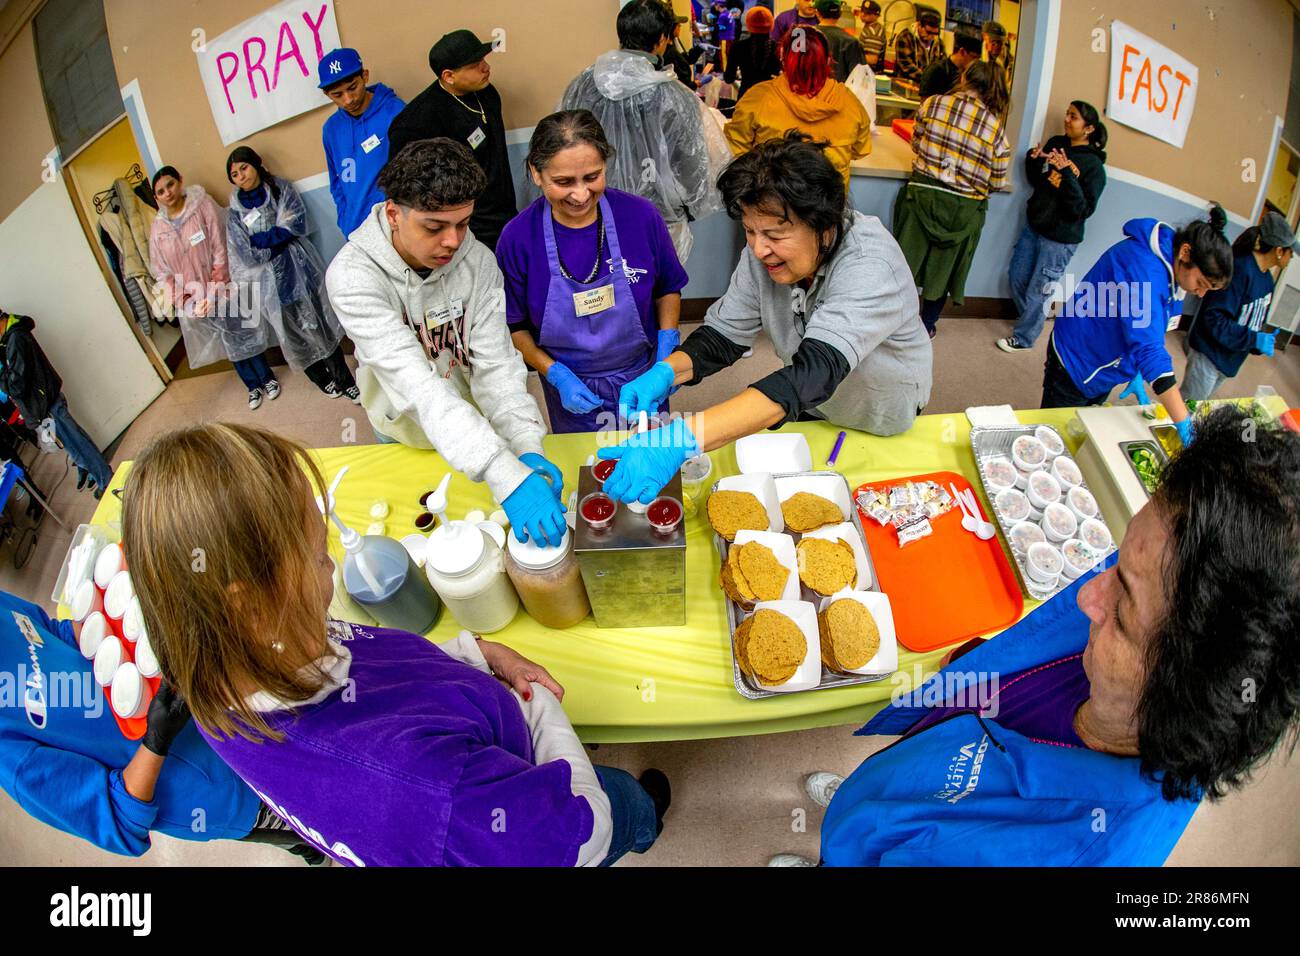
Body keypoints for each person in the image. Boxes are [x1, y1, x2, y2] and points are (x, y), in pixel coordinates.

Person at [769, 405, 1300, 866]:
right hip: (926, 763)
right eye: (1115, 562)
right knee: (879, 799)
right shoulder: (1154, 611)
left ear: (1185, 688)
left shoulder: (1068, 846)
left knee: (858, 849)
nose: (1087, 597)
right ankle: (872, 806)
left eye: (1123, 606)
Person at [122, 423, 671, 867]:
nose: (332, 560)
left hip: (481, 757)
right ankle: (647, 824)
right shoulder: (427, 792)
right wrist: (540, 711)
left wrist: (478, 653)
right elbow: (581, 835)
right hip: (544, 797)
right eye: (316, 556)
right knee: (619, 803)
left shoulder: (230, 667)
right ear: (247, 601)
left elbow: (382, 659)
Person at [603, 135, 932, 505]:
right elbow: (723, 335)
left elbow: (814, 372)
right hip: (811, 404)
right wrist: (667, 371)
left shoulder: (871, 264)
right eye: (749, 230)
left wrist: (680, 440)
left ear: (824, 226)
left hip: (877, 413)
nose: (759, 249)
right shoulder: (765, 253)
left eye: (774, 234)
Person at [325, 139, 567, 546]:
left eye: (463, 224)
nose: (453, 242)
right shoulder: (352, 278)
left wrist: (525, 445)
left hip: (476, 426)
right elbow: (417, 388)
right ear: (393, 214)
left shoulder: (477, 262)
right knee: (428, 523)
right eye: (434, 227)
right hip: (404, 426)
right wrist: (501, 470)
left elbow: (496, 366)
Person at [0, 587, 326, 864]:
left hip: (221, 715)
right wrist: (156, 740)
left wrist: (121, 615)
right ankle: (311, 846)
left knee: (311, 759)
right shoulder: (12, 758)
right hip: (216, 789)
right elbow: (119, 823)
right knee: (315, 821)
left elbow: (53, 632)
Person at [497, 112, 687, 434]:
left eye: (592, 177)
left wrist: (667, 347)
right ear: (536, 173)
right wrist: (555, 374)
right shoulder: (517, 239)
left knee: (651, 463)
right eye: (564, 182)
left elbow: (667, 287)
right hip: (572, 388)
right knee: (588, 471)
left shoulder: (640, 217)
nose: (581, 194)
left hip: (643, 376)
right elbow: (514, 326)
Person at [1043, 205, 1233, 445]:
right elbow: (1149, 348)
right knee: (1054, 433)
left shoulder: (1177, 271)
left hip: (1106, 361)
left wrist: (1136, 370)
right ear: (1186, 252)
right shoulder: (1144, 269)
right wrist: (1183, 421)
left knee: (1080, 424)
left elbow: (1149, 328)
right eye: (1202, 283)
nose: (1201, 293)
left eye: (1210, 289)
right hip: (1077, 356)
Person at [560, 0, 731, 264]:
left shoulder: (581, 86)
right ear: (662, 38)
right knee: (655, 290)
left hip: (593, 211)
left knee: (603, 287)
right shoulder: (676, 97)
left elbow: (560, 144)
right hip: (660, 220)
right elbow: (692, 168)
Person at [225, 146, 359, 404]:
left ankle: (346, 381)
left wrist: (262, 239)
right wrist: (275, 236)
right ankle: (322, 380)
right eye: (234, 173)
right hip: (268, 283)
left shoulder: (279, 189)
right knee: (292, 333)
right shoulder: (234, 213)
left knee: (320, 325)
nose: (241, 176)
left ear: (255, 164)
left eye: (244, 167)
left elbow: (294, 224)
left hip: (299, 268)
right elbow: (245, 251)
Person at [893, 62, 1011, 337]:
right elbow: (997, 182)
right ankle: (926, 327)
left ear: (964, 77)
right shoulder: (996, 131)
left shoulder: (932, 104)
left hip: (922, 196)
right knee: (943, 271)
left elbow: (917, 143)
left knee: (905, 263)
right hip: (964, 210)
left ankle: (894, 322)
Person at [149, 165, 276, 408]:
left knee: (243, 329)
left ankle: (267, 377)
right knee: (227, 339)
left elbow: (221, 246)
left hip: (222, 285)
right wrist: (185, 302)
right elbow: (162, 272)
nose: (168, 193)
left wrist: (214, 290)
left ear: (180, 181)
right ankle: (251, 386)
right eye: (161, 191)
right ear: (157, 198)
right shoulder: (158, 229)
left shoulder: (202, 205)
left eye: (170, 185)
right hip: (195, 298)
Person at [387, 31, 517, 251]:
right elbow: (407, 191)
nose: (486, 67)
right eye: (476, 64)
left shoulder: (487, 93)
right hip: (467, 231)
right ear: (449, 76)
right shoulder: (416, 122)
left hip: (504, 216)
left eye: (484, 60)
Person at [997, 101, 1108, 353]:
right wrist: (1034, 160)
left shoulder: (1095, 169)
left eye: (1074, 117)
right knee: (1017, 277)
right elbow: (1039, 181)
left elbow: (1082, 211)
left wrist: (1067, 172)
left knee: (1039, 290)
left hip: (1060, 240)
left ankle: (1025, 338)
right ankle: (1035, 317)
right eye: (1067, 114)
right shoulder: (1056, 144)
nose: (1067, 120)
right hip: (1034, 227)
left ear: (1088, 129)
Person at [725, 27, 872, 188]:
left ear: (783, 57)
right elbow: (860, 150)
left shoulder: (758, 98)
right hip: (827, 206)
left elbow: (736, 149)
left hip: (771, 202)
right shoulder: (849, 101)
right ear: (828, 59)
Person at [1182, 212, 1295, 399]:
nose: (1291, 259)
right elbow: (1213, 318)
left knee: (1198, 409)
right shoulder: (1241, 268)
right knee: (1186, 410)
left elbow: (1253, 322)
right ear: (1279, 250)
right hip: (1209, 355)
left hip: (1229, 361)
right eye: (1290, 253)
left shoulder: (1267, 280)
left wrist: (1259, 341)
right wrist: (1253, 339)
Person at [0, 311, 112, 496]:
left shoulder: (15, 339)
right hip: (43, 404)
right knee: (72, 443)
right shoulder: (8, 340)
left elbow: (17, 385)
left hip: (45, 403)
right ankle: (94, 472)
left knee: (76, 443)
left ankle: (106, 480)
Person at [318, 48, 406, 240]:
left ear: (365, 76)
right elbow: (336, 182)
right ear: (327, 95)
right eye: (337, 95)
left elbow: (414, 169)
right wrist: (346, 221)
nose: (348, 100)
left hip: (397, 224)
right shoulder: (331, 129)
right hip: (358, 231)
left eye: (352, 87)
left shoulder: (395, 111)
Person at [724, 5, 781, 101]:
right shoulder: (779, 48)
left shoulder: (737, 47)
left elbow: (729, 78)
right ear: (771, 25)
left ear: (748, 24)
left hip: (746, 97)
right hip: (771, 99)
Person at [916, 27, 982, 100]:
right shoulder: (935, 71)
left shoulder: (970, 76)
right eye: (974, 57)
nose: (976, 62)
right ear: (962, 52)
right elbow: (925, 104)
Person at [814, 0, 865, 81]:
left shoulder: (805, 36)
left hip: (806, 92)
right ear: (840, 14)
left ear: (817, 13)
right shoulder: (851, 42)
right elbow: (860, 79)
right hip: (838, 92)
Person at [892, 5, 943, 82]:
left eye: (935, 33)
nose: (931, 37)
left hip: (927, 86)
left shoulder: (938, 42)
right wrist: (927, 79)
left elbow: (942, 64)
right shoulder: (905, 37)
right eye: (928, 32)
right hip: (906, 82)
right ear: (919, 25)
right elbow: (906, 65)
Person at [855, 1, 885, 70]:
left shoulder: (874, 32)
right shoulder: (869, 28)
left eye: (868, 13)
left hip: (869, 73)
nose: (863, 14)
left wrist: (851, 56)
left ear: (876, 16)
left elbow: (872, 59)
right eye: (862, 10)